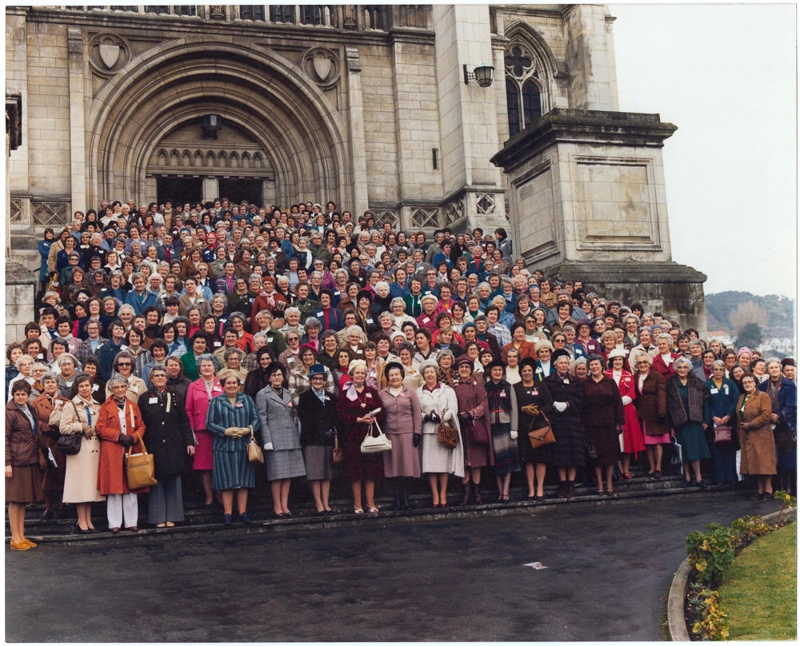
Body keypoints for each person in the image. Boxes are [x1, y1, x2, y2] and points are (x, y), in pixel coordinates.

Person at [138, 365, 195, 527]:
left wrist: (189, 442)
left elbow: (184, 420)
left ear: (167, 378)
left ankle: (173, 516)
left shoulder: (175, 395)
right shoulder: (144, 398)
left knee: (173, 479)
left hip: (174, 444)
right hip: (153, 444)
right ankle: (158, 517)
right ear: (151, 379)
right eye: (156, 376)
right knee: (156, 480)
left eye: (163, 375)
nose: (160, 378)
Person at [205, 369, 260, 525]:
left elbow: (256, 420)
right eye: (228, 383)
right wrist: (225, 431)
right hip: (223, 447)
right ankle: (227, 513)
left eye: (234, 383)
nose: (231, 385)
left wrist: (248, 429)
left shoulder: (247, 399)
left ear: (238, 384)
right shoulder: (216, 401)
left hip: (243, 446)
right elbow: (209, 423)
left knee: (244, 481)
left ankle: (243, 512)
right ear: (223, 385)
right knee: (226, 482)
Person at [95, 374, 148, 532]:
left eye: (122, 387)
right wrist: (118, 436)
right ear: (111, 389)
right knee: (115, 486)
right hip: (113, 449)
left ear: (127, 388)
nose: (119, 390)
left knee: (131, 485)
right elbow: (100, 428)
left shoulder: (133, 405)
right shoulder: (105, 406)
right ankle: (115, 523)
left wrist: (133, 437)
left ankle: (132, 521)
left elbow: (142, 426)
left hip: (131, 447)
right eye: (116, 387)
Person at [257, 363, 306, 518]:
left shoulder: (287, 393)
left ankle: (285, 506)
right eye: (274, 375)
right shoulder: (262, 394)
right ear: (269, 378)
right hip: (275, 439)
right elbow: (262, 419)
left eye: (279, 375)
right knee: (277, 475)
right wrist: (267, 440)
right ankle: (277, 506)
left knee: (288, 474)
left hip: (290, 437)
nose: (277, 377)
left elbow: (293, 415)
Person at [336, 360, 386, 513]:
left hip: (370, 436)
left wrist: (374, 418)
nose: (359, 375)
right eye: (356, 373)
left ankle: (370, 503)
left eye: (362, 373)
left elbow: (382, 409)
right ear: (351, 375)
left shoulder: (372, 391)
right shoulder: (345, 393)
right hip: (353, 438)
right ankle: (357, 504)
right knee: (355, 472)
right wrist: (358, 419)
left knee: (371, 471)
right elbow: (340, 415)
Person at [58, 373, 104, 533]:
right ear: (77, 388)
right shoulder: (71, 405)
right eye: (81, 386)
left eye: (87, 385)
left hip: (94, 450)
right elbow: (63, 427)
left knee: (90, 487)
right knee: (80, 486)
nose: (85, 389)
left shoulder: (97, 405)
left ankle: (88, 519)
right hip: (79, 450)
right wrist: (80, 427)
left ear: (92, 387)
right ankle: (81, 520)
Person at [416, 359, 464, 507]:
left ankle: (443, 493)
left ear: (436, 374)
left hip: (443, 430)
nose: (429, 375)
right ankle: (434, 495)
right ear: (423, 375)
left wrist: (443, 417)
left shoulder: (447, 390)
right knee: (430, 466)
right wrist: (427, 416)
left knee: (443, 466)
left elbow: (453, 409)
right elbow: (417, 411)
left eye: (432, 372)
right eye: (426, 372)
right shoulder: (418, 392)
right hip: (428, 432)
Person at [378, 361, 422, 510]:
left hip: (407, 432)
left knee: (406, 467)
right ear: (387, 377)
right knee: (393, 467)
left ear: (402, 376)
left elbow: (417, 413)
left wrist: (417, 432)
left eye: (397, 374)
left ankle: (406, 497)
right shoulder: (382, 393)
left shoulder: (410, 392)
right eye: (391, 375)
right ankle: (396, 498)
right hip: (390, 433)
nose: (394, 377)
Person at [6, 381, 44, 550]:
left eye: (23, 394)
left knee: (22, 501)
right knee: (15, 500)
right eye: (17, 394)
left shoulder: (31, 409)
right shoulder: (8, 412)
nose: (20, 397)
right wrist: (7, 463)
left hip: (29, 459)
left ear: (28, 395)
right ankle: (15, 538)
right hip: (16, 461)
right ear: (13, 395)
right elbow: (3, 438)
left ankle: (21, 535)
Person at [296, 364, 338, 514]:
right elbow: (305, 419)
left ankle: (326, 503)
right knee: (315, 474)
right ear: (310, 380)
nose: (318, 381)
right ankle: (319, 503)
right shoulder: (305, 397)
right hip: (312, 440)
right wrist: (320, 429)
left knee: (327, 474)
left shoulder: (331, 397)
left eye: (321, 378)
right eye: (315, 378)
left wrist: (330, 431)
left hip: (327, 439)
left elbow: (334, 417)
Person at [545, 350, 586, 498]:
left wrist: (568, 404)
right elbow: (546, 398)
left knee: (573, 453)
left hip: (573, 420)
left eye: (565, 363)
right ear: (555, 365)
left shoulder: (575, 381)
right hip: (557, 421)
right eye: (560, 363)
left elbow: (580, 399)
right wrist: (554, 404)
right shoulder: (549, 381)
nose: (563, 365)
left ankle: (571, 483)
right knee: (560, 453)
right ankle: (563, 483)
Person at [582, 354, 625, 496]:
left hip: (609, 424)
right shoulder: (585, 384)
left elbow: (618, 402)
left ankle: (609, 483)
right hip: (592, 425)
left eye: (596, 364)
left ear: (602, 366)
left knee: (610, 455)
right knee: (596, 456)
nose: (594, 367)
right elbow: (581, 405)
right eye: (592, 365)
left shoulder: (610, 382)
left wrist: (619, 422)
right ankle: (600, 484)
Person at [454, 354, 494, 504]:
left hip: (474, 427)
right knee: (463, 460)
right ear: (457, 370)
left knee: (476, 460)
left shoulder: (478, 385)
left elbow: (484, 403)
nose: (464, 369)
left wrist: (471, 414)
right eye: (461, 367)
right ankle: (466, 492)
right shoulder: (454, 387)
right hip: (459, 428)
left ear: (471, 369)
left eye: (466, 367)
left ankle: (476, 492)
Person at [512, 357, 554, 501]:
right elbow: (512, 406)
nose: (527, 373)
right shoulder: (516, 387)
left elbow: (549, 403)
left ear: (533, 371)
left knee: (541, 459)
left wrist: (540, 411)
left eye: (529, 370)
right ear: (520, 372)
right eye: (524, 371)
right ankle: (531, 489)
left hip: (540, 427)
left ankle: (540, 488)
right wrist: (522, 408)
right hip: (524, 427)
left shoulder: (541, 385)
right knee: (528, 460)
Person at [666, 357, 711, 488]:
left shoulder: (697, 382)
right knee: (684, 451)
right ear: (676, 369)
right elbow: (668, 406)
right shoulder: (671, 383)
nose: (682, 370)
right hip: (680, 422)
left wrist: (705, 420)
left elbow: (705, 403)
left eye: (685, 367)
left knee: (695, 451)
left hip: (695, 421)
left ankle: (698, 477)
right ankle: (686, 476)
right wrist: (671, 426)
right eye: (679, 367)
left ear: (689, 368)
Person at [29, 371, 68, 520]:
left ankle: (62, 506)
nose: (50, 385)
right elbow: (33, 421)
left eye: (52, 382)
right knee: (47, 474)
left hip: (61, 442)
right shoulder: (35, 403)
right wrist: (47, 427)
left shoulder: (65, 401)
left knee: (62, 473)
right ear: (43, 385)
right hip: (45, 442)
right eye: (47, 383)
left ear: (57, 384)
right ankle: (48, 507)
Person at [604, 348, 645, 480]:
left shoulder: (628, 375)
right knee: (614, 442)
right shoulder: (605, 374)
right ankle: (619, 469)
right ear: (611, 361)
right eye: (615, 359)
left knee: (627, 442)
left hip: (626, 410)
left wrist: (621, 401)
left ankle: (626, 469)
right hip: (609, 411)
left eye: (620, 359)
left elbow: (632, 392)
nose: (617, 362)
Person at [484, 359, 521, 502]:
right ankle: (500, 491)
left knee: (507, 462)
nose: (497, 372)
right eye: (495, 370)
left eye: (500, 370)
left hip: (506, 426)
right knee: (496, 462)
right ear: (490, 372)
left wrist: (514, 428)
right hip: (492, 426)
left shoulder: (508, 387)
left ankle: (506, 491)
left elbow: (514, 408)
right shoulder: (486, 387)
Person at [759, 358, 797, 495]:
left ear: (780, 369)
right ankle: (775, 488)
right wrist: (768, 416)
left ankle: (790, 490)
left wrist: (779, 416)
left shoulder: (789, 385)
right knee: (772, 458)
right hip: (768, 426)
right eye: (771, 368)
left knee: (788, 458)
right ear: (767, 370)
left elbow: (792, 406)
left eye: (776, 367)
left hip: (786, 426)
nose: (774, 370)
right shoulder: (762, 386)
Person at [737, 373, 777, 500]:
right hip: (747, 436)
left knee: (764, 463)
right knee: (755, 464)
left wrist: (751, 424)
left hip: (761, 434)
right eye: (745, 382)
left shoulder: (763, 396)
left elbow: (766, 415)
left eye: (750, 381)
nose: (747, 384)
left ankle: (768, 490)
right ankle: (759, 490)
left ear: (755, 383)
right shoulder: (742, 397)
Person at [633, 353, 671, 480]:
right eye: (639, 363)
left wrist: (661, 412)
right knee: (648, 442)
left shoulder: (657, 376)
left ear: (649, 363)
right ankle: (652, 467)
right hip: (644, 412)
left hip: (656, 410)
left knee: (657, 441)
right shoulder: (635, 377)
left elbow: (661, 394)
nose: (642, 365)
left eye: (645, 362)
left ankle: (659, 467)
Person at [705, 360, 740, 486]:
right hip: (714, 423)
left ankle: (730, 478)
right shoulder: (707, 384)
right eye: (716, 369)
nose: (718, 372)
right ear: (712, 371)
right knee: (717, 451)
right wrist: (713, 417)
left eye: (721, 369)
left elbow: (736, 399)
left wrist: (728, 415)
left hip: (728, 421)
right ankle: (719, 478)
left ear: (724, 370)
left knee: (729, 450)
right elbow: (705, 403)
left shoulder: (730, 383)